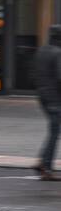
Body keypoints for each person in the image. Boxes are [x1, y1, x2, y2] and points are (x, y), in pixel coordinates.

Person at [33, 24, 61, 181]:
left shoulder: (42, 50)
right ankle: (46, 167)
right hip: (55, 99)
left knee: (54, 131)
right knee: (55, 132)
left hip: (43, 97)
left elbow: (34, 74)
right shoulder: (57, 53)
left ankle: (42, 162)